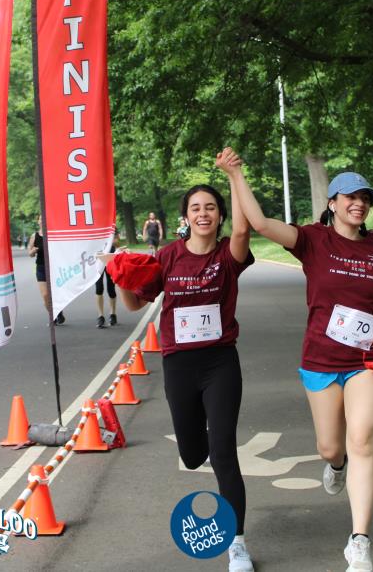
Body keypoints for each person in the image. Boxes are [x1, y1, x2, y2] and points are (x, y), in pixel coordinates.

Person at [223, 149, 373, 572]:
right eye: (350, 197)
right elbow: (261, 225)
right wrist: (236, 174)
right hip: (321, 359)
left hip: (365, 361)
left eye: (365, 198)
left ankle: (359, 541)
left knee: (363, 440)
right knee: (331, 446)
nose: (359, 204)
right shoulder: (313, 241)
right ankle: (335, 465)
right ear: (332, 204)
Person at [117, 150, 254, 572]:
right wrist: (122, 276)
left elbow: (246, 228)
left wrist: (234, 174)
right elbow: (136, 305)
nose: (203, 213)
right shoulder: (169, 256)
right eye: (195, 208)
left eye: (211, 207)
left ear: (219, 215)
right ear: (185, 217)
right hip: (179, 365)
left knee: (225, 452)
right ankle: (207, 444)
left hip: (219, 363)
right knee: (195, 455)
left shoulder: (228, 257)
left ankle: (237, 544)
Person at [27, 214, 65, 325]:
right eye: (40, 219)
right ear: (38, 221)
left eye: (45, 219)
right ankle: (53, 315)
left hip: (54, 267)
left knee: (55, 293)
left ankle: (58, 312)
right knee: (45, 295)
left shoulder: (52, 235)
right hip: (41, 267)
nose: (42, 221)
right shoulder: (34, 236)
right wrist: (33, 251)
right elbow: (30, 253)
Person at [95, 234, 119, 328]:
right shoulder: (95, 228)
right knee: (99, 288)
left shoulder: (111, 226)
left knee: (111, 288)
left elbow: (117, 241)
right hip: (98, 257)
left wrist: (113, 241)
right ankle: (100, 316)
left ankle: (113, 314)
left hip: (110, 257)